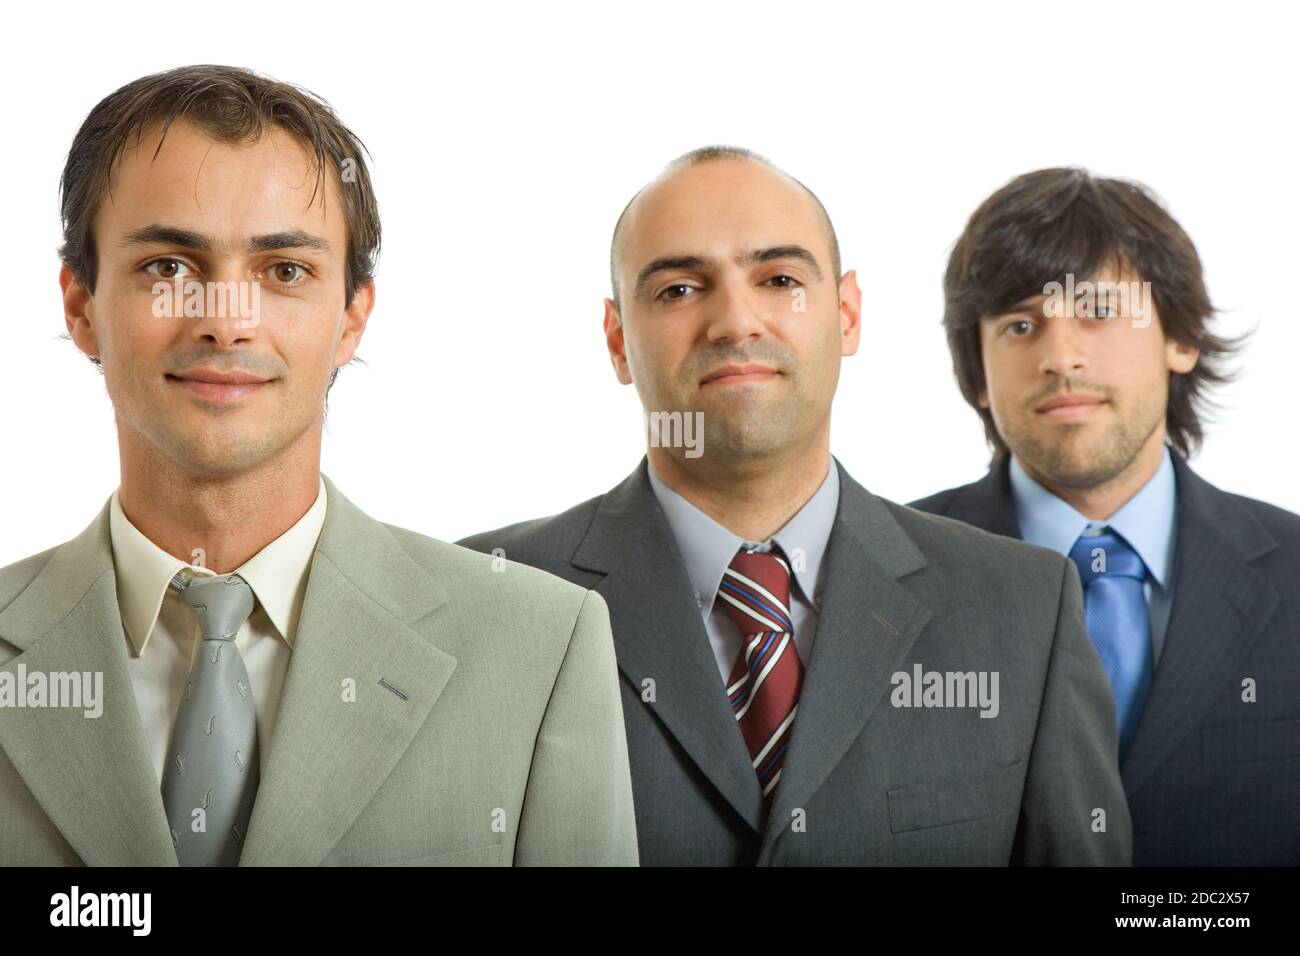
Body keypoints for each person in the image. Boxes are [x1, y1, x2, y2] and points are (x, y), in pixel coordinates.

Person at [0, 65, 637, 866]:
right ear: (80, 307)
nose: (227, 322)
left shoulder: (540, 653)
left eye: (285, 271)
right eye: (168, 267)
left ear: (350, 320)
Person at [461, 147, 1131, 865]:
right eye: (679, 290)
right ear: (619, 341)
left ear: (846, 315)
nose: (735, 322)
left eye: (779, 279)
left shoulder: (1022, 608)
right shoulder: (488, 600)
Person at [911, 167, 1300, 865]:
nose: (1061, 358)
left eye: (1097, 310)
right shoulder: (873, 580)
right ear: (977, 376)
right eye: (1021, 324)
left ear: (1181, 338)